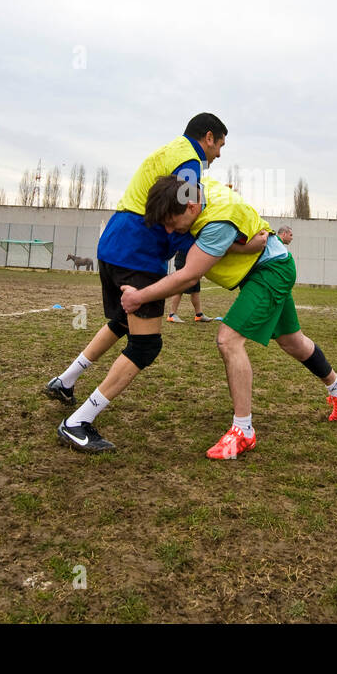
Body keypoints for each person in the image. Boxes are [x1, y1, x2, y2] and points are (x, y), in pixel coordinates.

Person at [122, 175, 337, 459]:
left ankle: (243, 431)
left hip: (269, 270)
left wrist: (140, 296)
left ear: (192, 208)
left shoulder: (216, 222)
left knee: (228, 340)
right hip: (270, 264)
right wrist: (242, 246)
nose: (169, 229)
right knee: (292, 341)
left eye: (171, 221)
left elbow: (189, 275)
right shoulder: (202, 192)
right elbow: (225, 212)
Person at [43, 114, 233, 453]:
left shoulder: (169, 150)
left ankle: (65, 381)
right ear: (208, 137)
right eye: (219, 145)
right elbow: (187, 211)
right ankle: (78, 422)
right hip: (140, 250)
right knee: (146, 346)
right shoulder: (190, 162)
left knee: (121, 322)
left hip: (115, 241)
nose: (218, 154)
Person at [166, 248, 214, 323]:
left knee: (195, 290)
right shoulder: (185, 237)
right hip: (183, 262)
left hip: (194, 263)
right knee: (180, 289)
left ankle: (199, 315)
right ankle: (172, 315)